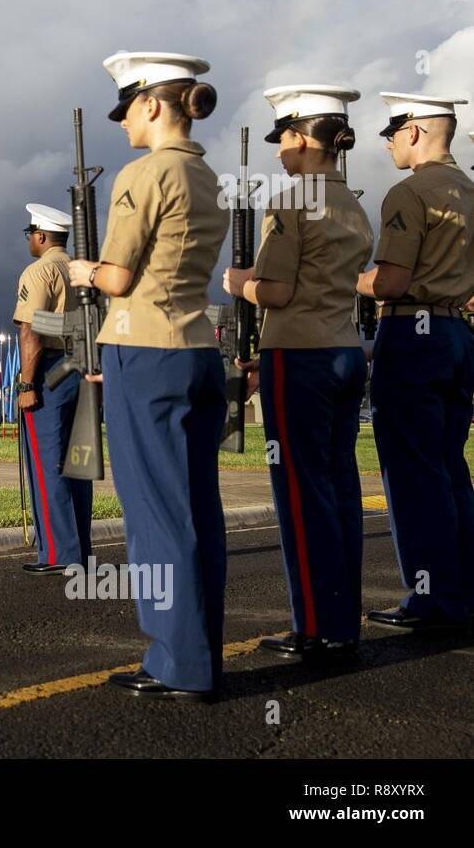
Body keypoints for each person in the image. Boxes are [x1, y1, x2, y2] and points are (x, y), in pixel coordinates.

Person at [67, 52, 228, 701]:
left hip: (145, 350)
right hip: (195, 347)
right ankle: (199, 652)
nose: (125, 120)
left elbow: (120, 276)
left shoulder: (145, 173)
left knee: (156, 514)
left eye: (129, 106)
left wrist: (84, 272)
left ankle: (177, 664)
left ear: (154, 105)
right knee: (195, 510)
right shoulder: (209, 177)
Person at [224, 85, 374, 658]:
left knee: (300, 492)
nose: (279, 151)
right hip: (342, 353)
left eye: (284, 138)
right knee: (338, 488)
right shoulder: (354, 204)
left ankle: (316, 625)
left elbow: (279, 291)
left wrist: (238, 282)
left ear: (305, 138)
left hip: (300, 360)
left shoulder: (291, 201)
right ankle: (340, 618)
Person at [357, 92, 474, 632]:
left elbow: (393, 282)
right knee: (451, 469)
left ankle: (432, 599)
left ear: (413, 132)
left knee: (412, 473)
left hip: (412, 331)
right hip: (455, 332)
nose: (386, 142)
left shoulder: (409, 192)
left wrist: (336, 279)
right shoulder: (469, 191)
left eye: (392, 131)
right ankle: (463, 591)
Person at [12, 203, 94, 574]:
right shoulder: (80, 271)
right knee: (78, 465)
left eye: (31, 234)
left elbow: (32, 331)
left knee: (48, 467)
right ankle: (80, 551)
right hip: (81, 368)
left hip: (50, 371)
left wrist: (27, 383)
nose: (30, 239)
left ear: (42, 237)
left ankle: (59, 554)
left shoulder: (39, 271)